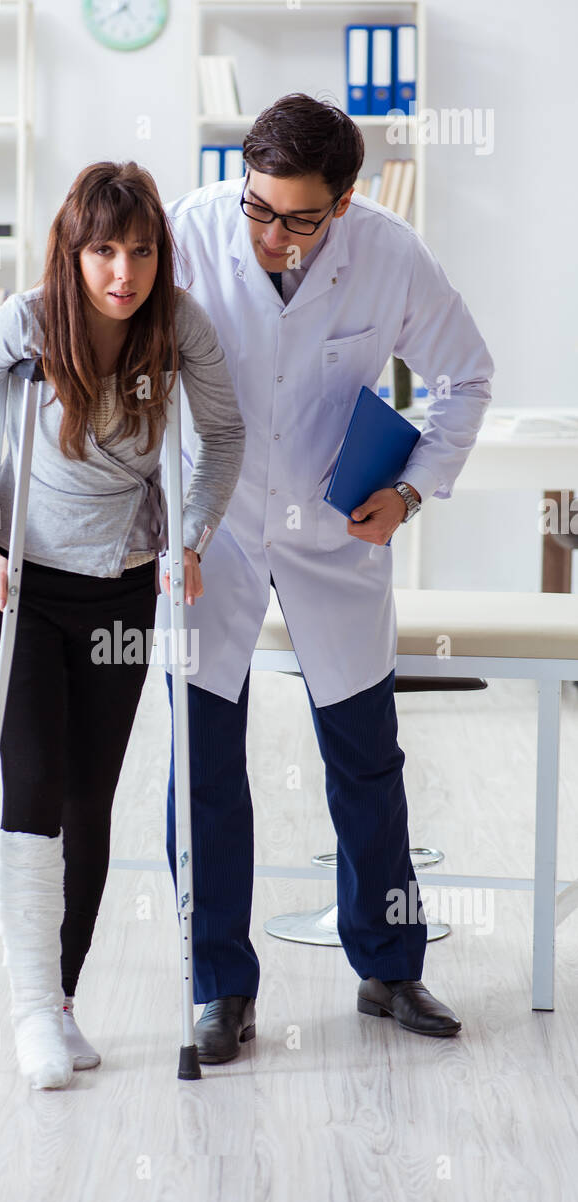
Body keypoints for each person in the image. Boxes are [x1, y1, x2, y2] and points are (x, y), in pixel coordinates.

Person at [154, 94, 495, 1061]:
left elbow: (464, 376)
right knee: (204, 760)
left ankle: (389, 968)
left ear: (342, 203)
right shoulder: (192, 228)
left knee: (363, 757)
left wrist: (413, 491)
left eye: (297, 217)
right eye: (257, 208)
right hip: (211, 531)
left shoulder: (389, 255)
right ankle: (218, 985)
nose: (268, 234)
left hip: (334, 528)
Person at [0, 162, 245, 1089]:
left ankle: (58, 1000)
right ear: (74, 250)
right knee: (36, 787)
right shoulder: (21, 322)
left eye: (139, 251)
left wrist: (194, 535)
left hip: (123, 590)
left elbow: (225, 437)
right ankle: (25, 1013)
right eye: (103, 251)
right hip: (21, 593)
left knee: (91, 800)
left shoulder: (180, 327)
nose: (121, 272)